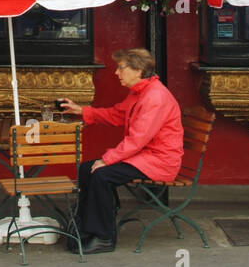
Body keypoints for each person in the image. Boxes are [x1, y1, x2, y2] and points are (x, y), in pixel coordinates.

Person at [57, 48, 182, 254]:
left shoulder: (155, 97)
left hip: (159, 161)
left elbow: (137, 140)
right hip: (145, 157)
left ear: (139, 70)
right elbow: (117, 115)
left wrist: (107, 160)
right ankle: (90, 225)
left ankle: (103, 237)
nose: (116, 73)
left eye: (121, 68)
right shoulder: (140, 92)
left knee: (102, 175)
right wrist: (82, 110)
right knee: (88, 169)